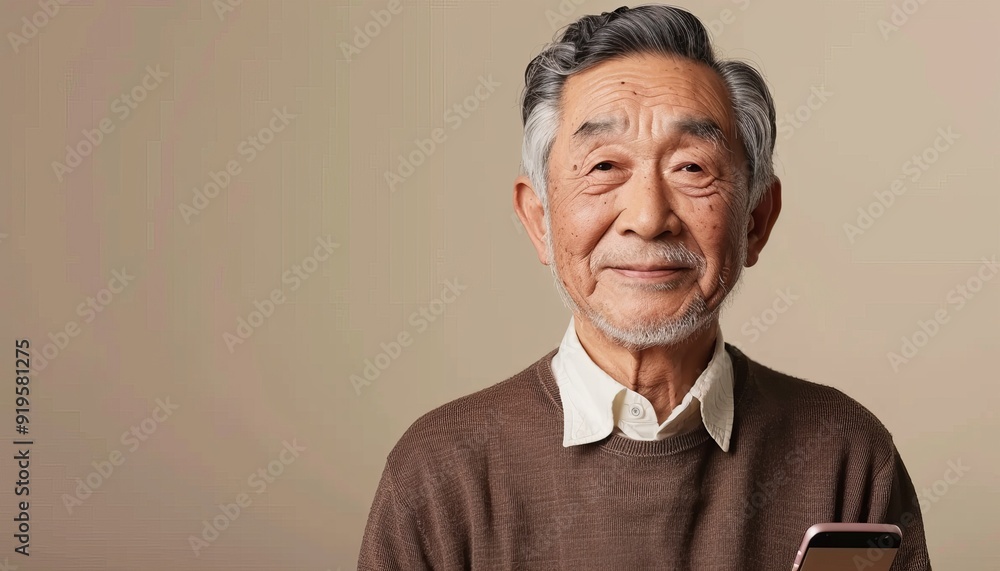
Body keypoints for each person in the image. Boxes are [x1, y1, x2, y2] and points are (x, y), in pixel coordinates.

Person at [358, 4, 931, 569]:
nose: (649, 216)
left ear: (755, 220)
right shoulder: (439, 471)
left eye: (692, 168)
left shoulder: (847, 453)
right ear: (539, 221)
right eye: (604, 166)